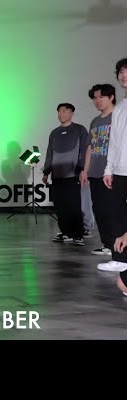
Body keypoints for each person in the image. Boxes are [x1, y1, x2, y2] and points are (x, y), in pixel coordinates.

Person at [79, 84, 124, 270]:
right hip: (95, 172)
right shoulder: (95, 122)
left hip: (112, 172)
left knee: (113, 211)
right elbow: (90, 147)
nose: (98, 101)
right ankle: (107, 244)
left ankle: (118, 248)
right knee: (99, 210)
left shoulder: (118, 116)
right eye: (95, 98)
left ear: (111, 97)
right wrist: (85, 170)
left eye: (101, 97)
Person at [42, 103, 87, 246]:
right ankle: (65, 232)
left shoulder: (79, 130)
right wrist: (46, 172)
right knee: (60, 206)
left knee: (74, 205)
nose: (61, 114)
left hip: (73, 174)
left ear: (71, 113)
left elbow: (85, 151)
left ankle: (78, 234)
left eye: (64, 111)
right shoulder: (54, 133)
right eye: (59, 111)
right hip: (57, 175)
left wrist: (83, 169)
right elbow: (50, 153)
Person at [103, 58, 127, 284]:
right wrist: (108, 169)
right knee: (117, 216)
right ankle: (120, 258)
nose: (123, 75)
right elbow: (114, 142)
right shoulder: (119, 109)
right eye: (120, 72)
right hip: (120, 170)